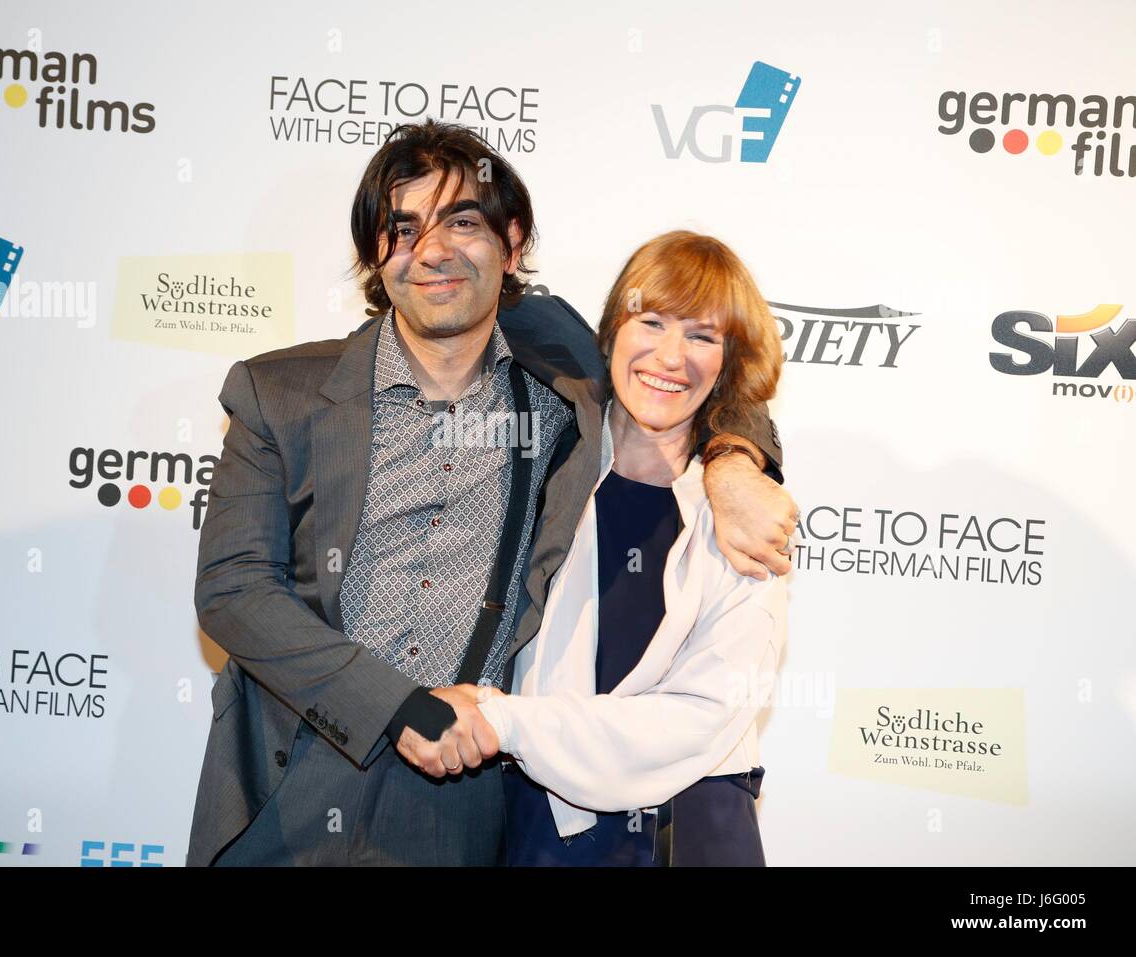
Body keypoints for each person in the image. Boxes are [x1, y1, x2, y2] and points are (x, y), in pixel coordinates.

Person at [186, 120, 796, 866]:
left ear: (511, 245)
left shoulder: (563, 379)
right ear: (375, 256)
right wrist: (392, 704)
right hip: (290, 788)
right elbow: (233, 588)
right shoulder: (278, 391)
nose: (433, 251)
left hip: (460, 809)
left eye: (462, 222)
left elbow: (697, 371)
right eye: (402, 228)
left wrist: (736, 463)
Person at [477, 231, 788, 866]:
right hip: (541, 825)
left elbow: (701, 718)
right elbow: (490, 302)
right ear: (613, 331)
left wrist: (505, 722)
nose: (672, 357)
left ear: (729, 363)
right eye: (651, 322)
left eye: (703, 336)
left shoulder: (746, 514)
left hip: (693, 833)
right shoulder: (543, 463)